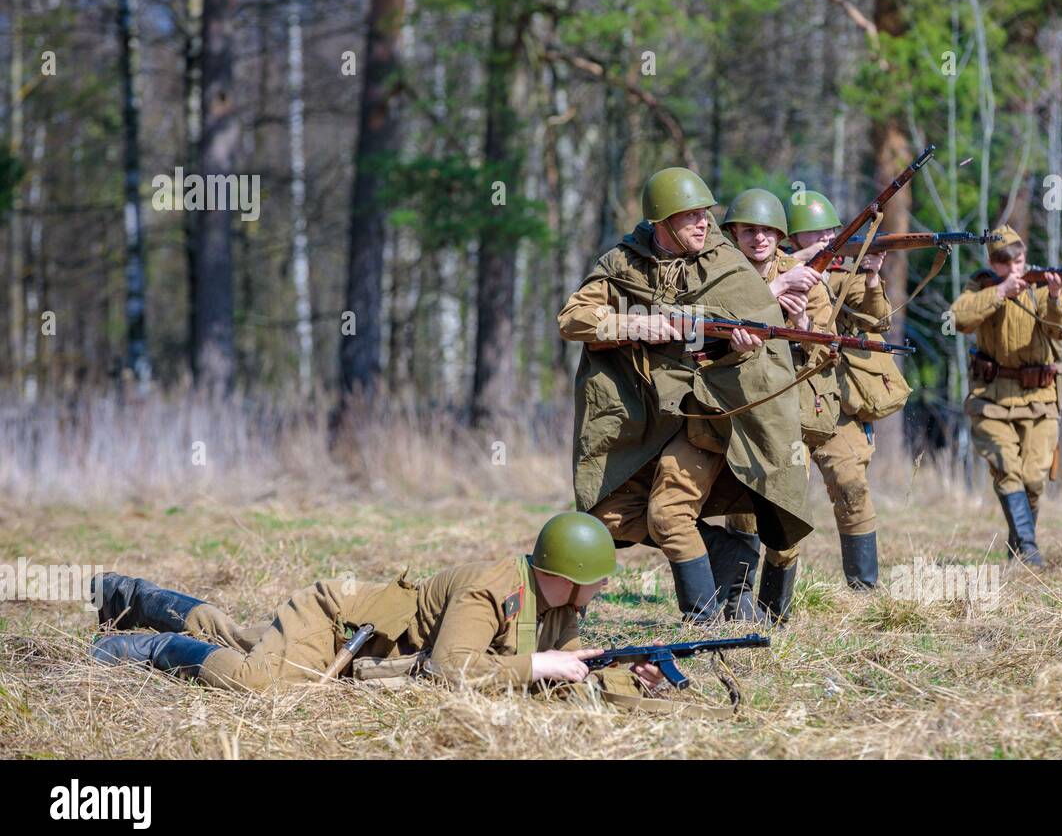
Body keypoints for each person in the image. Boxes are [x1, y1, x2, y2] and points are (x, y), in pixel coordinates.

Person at [557, 168, 814, 622]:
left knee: (670, 515)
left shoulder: (723, 261)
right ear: (662, 222)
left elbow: (759, 322)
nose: (703, 224)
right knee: (608, 513)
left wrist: (737, 350)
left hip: (708, 414)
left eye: (705, 214)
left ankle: (705, 621)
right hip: (645, 416)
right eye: (690, 216)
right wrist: (634, 324)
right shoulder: (623, 264)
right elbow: (573, 319)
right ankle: (730, 554)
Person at [90, 512, 662, 691]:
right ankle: (150, 646)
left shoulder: (559, 603)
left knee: (240, 640)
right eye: (600, 579)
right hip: (336, 617)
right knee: (256, 683)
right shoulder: (492, 589)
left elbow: (567, 669)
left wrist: (625, 674)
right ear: (570, 574)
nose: (605, 589)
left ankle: (134, 596)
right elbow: (451, 668)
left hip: (363, 645)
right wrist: (536, 663)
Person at [718, 187, 838, 621]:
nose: (759, 239)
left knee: (785, 514)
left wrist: (803, 323)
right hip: (735, 408)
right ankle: (737, 608)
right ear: (733, 234)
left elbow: (828, 351)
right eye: (749, 231)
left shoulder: (807, 275)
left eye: (768, 231)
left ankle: (776, 611)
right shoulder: (720, 272)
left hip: (788, 414)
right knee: (741, 513)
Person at [782, 190, 909, 593]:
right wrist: (798, 266)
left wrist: (870, 276)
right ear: (793, 239)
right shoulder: (774, 270)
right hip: (783, 401)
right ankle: (759, 597)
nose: (825, 238)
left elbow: (877, 319)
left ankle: (864, 587)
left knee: (852, 485)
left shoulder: (846, 271)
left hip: (834, 401)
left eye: (830, 231)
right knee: (777, 498)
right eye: (813, 234)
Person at [950, 226, 1062, 566]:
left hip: (1040, 397)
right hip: (990, 397)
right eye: (1004, 264)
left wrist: (1054, 297)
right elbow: (959, 318)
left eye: (1018, 262)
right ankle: (1030, 552)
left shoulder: (1041, 286)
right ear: (991, 263)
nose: (1014, 270)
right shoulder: (982, 285)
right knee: (1008, 470)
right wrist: (1000, 292)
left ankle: (1019, 548)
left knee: (1034, 479)